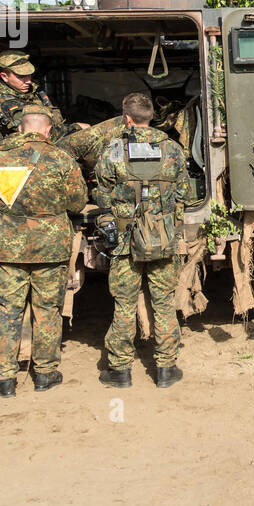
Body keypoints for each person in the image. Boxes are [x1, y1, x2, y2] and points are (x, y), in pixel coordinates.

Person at [0, 105, 89, 396]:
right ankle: (45, 373)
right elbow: (77, 203)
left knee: (7, 311)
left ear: (19, 128)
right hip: (49, 249)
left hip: (6, 248)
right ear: (48, 130)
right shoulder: (62, 159)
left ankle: (4, 379)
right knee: (48, 311)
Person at [93, 92, 190, 388]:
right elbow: (185, 194)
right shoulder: (173, 149)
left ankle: (120, 371)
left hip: (124, 241)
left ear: (126, 118)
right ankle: (165, 369)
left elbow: (100, 193)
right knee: (163, 303)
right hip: (162, 239)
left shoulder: (114, 150)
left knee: (123, 304)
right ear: (151, 118)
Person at [0, 51, 88, 140]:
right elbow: (37, 133)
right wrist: (75, 128)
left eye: (29, 75)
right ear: (4, 77)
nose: (28, 81)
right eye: (22, 76)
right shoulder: (6, 102)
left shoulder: (27, 90)